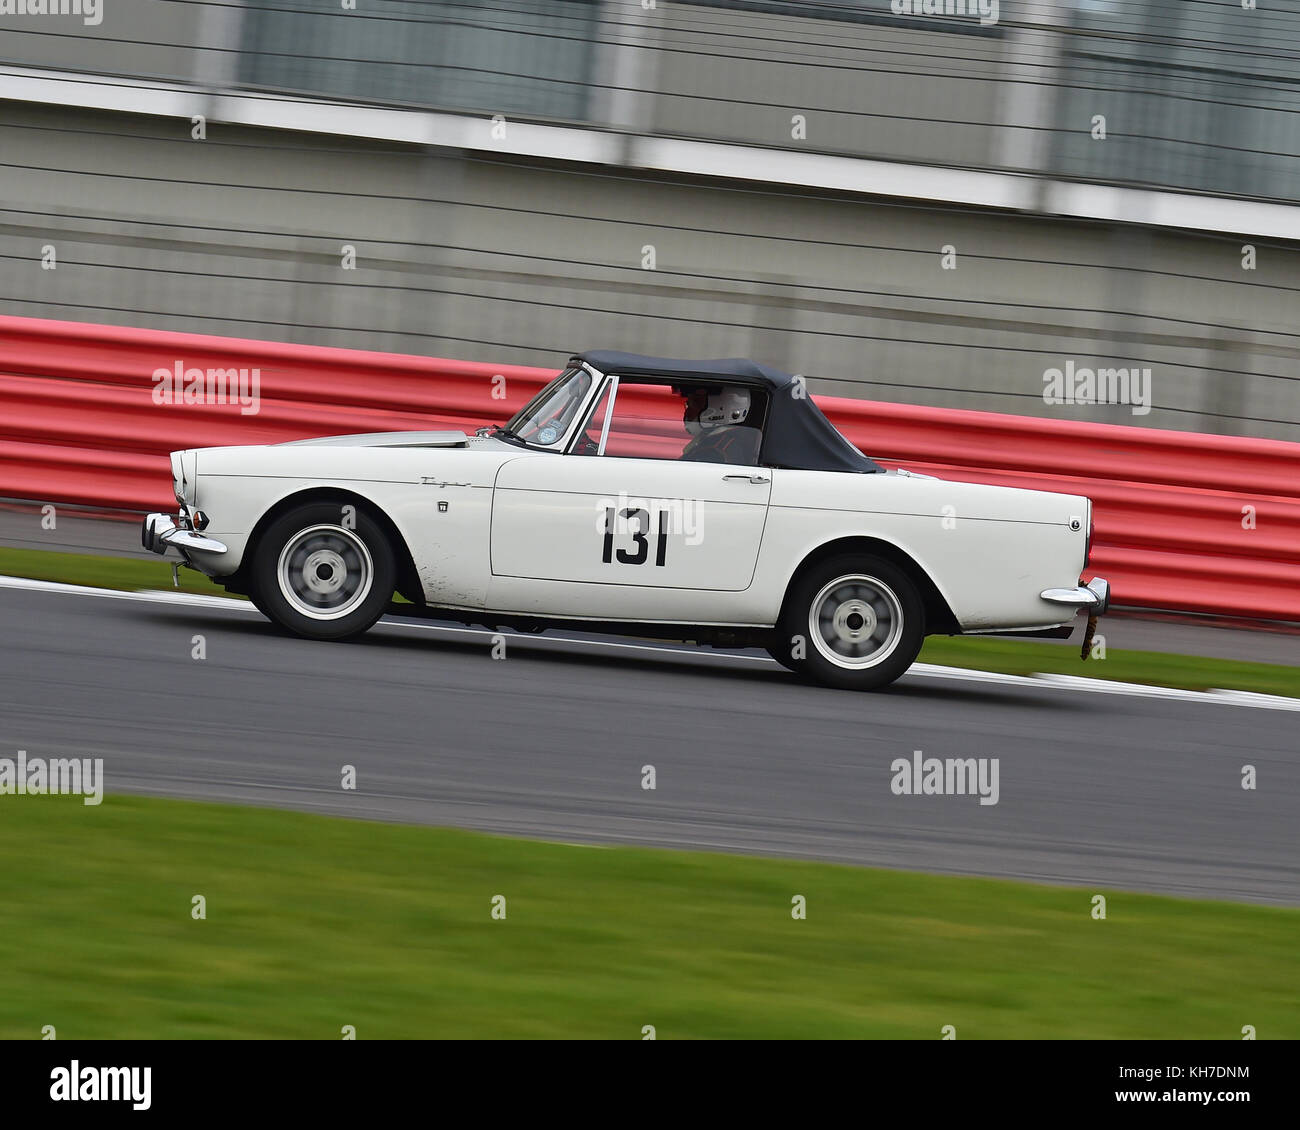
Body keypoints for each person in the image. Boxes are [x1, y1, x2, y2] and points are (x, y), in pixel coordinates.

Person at [678, 386, 761, 465]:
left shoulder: (713, 451)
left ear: (719, 407)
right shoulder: (731, 440)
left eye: (694, 404)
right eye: (688, 404)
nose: (687, 412)